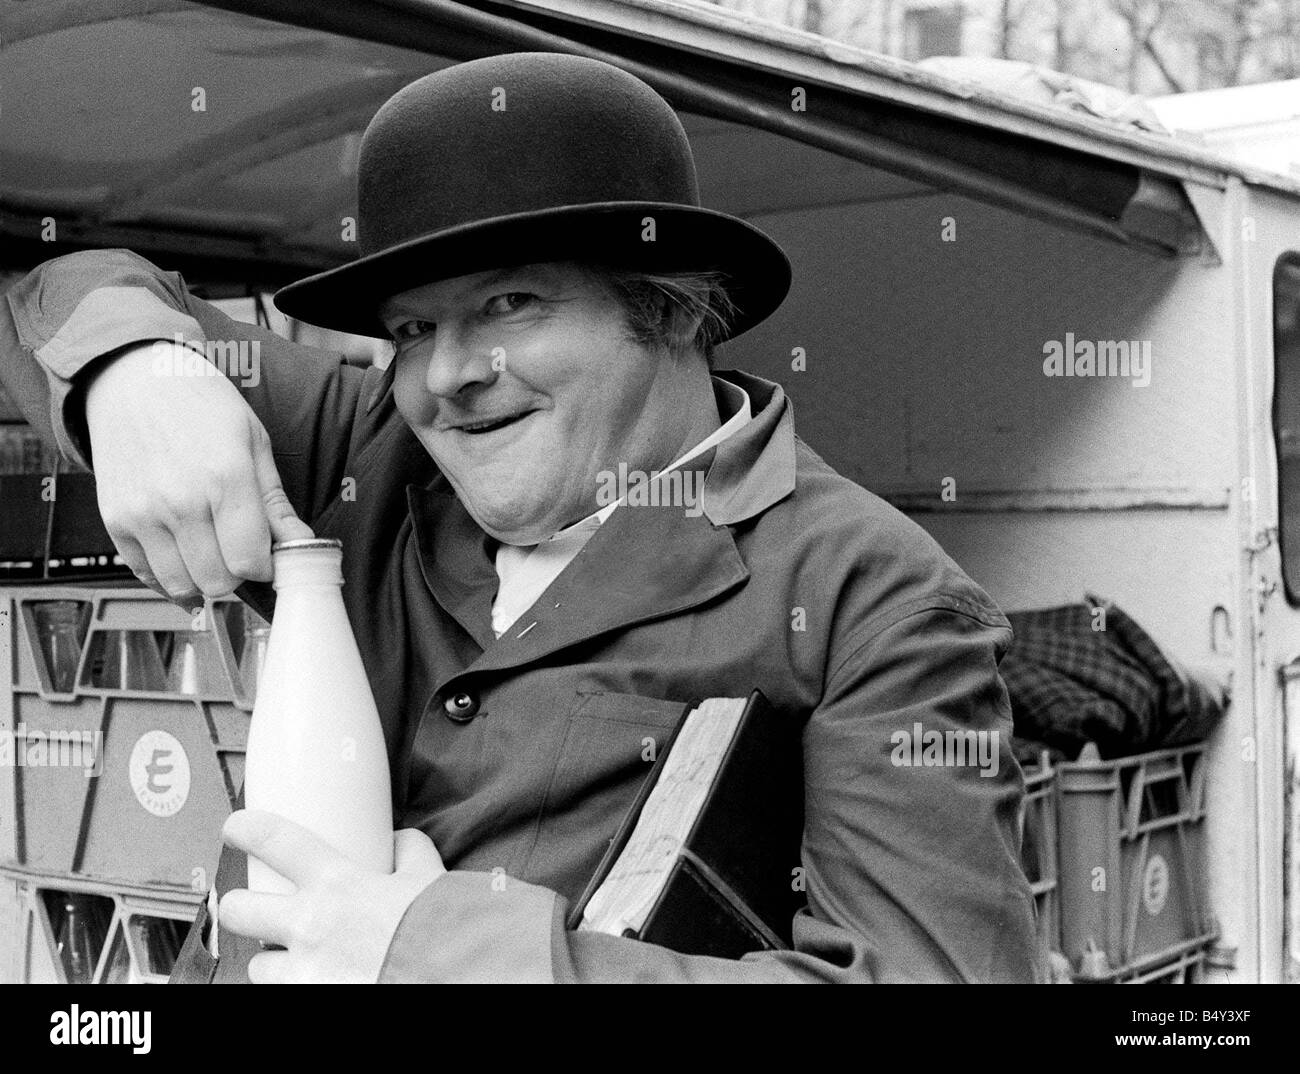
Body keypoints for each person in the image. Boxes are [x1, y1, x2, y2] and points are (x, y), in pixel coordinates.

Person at [0, 52, 1039, 982]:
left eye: (510, 306)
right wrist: (132, 369)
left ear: (669, 305)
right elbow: (54, 291)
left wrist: (438, 954)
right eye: (413, 327)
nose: (448, 376)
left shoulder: (872, 593)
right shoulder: (367, 450)